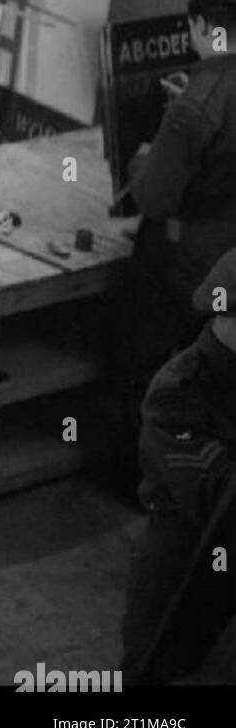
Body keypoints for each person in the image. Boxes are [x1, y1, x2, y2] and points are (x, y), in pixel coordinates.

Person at [120, 245, 236, 685]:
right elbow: (212, 487)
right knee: (155, 662)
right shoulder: (177, 389)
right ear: (227, 318)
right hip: (181, 551)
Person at [129, 0, 236, 353]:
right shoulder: (196, 100)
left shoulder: (193, 107)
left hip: (196, 270)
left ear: (202, 24)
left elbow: (152, 199)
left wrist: (143, 157)